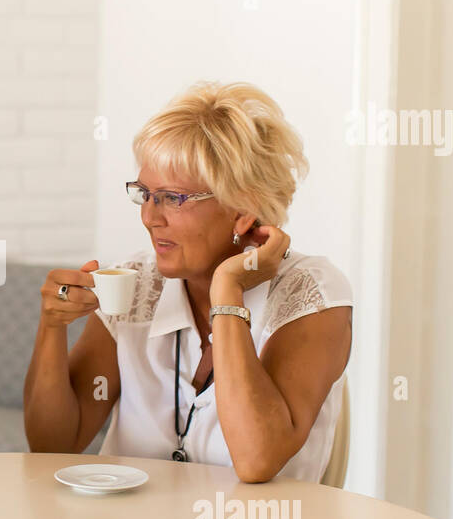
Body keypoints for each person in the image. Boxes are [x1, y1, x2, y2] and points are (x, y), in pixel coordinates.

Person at [23, 81, 352, 483]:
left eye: (172, 198)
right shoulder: (136, 285)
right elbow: (53, 446)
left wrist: (227, 289)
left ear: (242, 211)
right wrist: (52, 327)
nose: (149, 217)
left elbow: (256, 460)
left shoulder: (312, 296)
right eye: (144, 194)